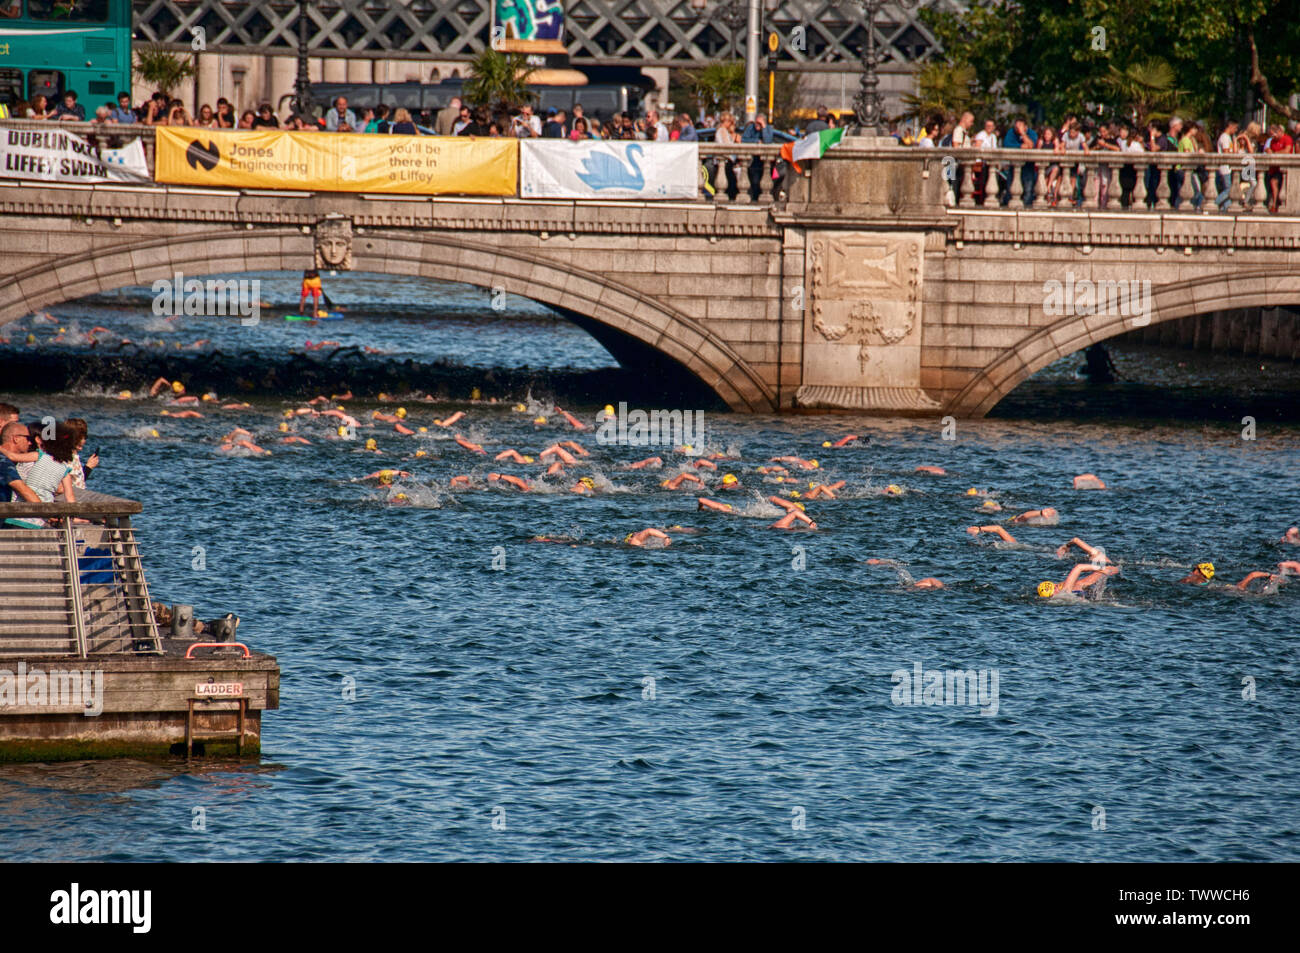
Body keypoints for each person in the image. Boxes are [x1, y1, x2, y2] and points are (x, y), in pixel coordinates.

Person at [1036, 563, 1119, 600]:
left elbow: (1088, 581)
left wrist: (1104, 570)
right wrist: (1103, 569)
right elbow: (1079, 567)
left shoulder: (1067, 589)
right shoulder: (1066, 589)